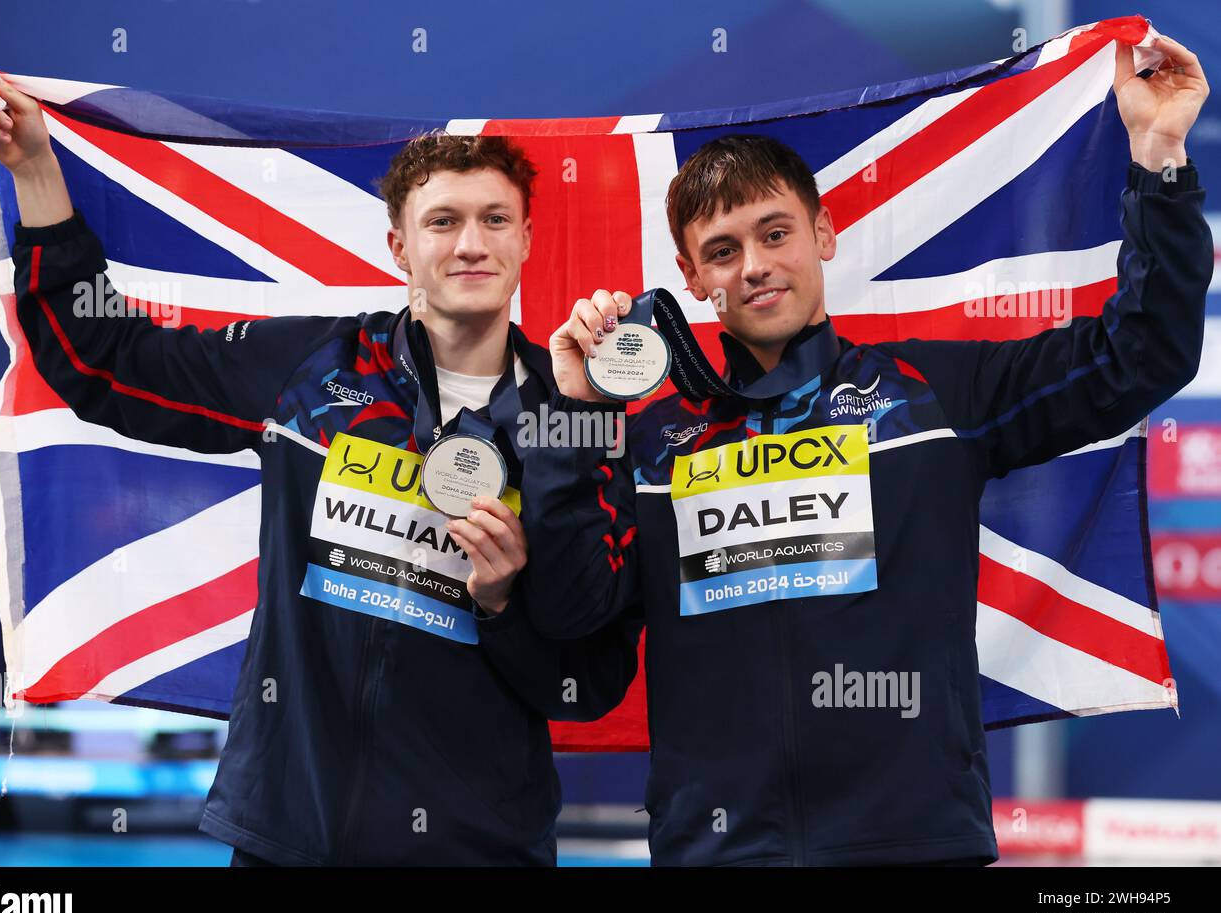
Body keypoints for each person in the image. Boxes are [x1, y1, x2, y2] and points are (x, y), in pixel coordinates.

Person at [519, 35, 1211, 865]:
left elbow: (1139, 356)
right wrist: (574, 411)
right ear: (692, 277)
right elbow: (571, 615)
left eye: (776, 233)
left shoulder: (934, 392)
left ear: (825, 231)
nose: (756, 267)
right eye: (723, 252)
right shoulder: (653, 444)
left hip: (913, 844)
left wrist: (1161, 158)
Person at [0, 72, 641, 866]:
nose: (471, 243)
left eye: (495, 219)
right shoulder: (311, 369)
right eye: (443, 221)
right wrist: (37, 176)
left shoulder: (573, 416)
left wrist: (500, 606)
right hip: (288, 836)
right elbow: (106, 365)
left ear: (526, 239)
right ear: (400, 247)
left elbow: (588, 682)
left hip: (475, 848)